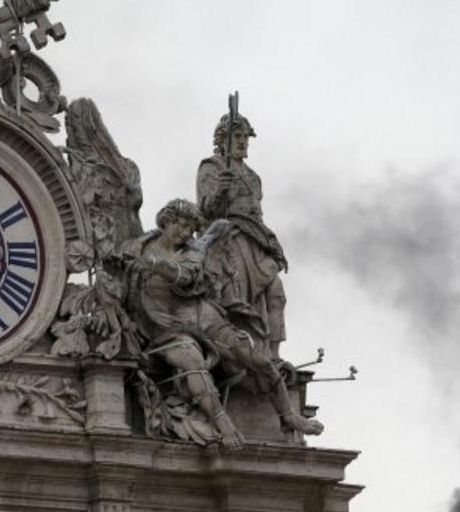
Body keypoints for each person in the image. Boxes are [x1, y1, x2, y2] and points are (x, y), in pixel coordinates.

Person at [122, 199, 322, 446]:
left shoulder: (193, 250)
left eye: (189, 229)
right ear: (166, 220)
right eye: (181, 225)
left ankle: (289, 415)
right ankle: (223, 424)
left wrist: (155, 265)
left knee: (256, 357)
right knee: (192, 362)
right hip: (165, 326)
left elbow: (186, 275)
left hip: (202, 316)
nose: (184, 233)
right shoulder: (138, 246)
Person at [195, 113, 288, 358]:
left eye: (245, 137)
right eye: (237, 136)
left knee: (276, 293)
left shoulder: (253, 177)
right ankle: (242, 352)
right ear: (222, 139)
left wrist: (272, 244)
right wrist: (219, 191)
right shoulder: (212, 167)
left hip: (255, 242)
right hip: (229, 240)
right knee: (239, 299)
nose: (242, 141)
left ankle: (273, 355)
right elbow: (206, 211)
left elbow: (257, 216)